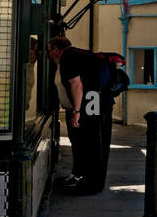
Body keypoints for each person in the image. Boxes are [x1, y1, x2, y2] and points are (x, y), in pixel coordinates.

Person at [47, 37, 113, 196]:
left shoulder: (69, 57)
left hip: (91, 103)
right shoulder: (77, 55)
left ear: (56, 49)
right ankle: (84, 178)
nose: (49, 53)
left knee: (91, 142)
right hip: (94, 101)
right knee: (87, 141)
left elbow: (77, 85)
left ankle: (91, 184)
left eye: (50, 49)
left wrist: (76, 112)